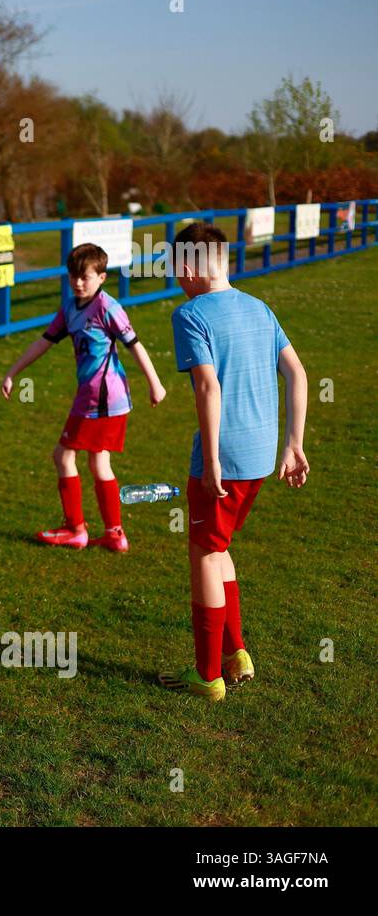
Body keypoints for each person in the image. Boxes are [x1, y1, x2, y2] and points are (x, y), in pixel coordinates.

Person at [159, 223, 309, 700]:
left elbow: (207, 386)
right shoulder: (260, 308)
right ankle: (235, 652)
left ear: (186, 267)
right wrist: (294, 444)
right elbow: (298, 373)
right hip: (264, 456)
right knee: (219, 544)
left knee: (203, 550)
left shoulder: (190, 315)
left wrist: (211, 458)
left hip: (223, 459)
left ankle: (207, 677)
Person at [1, 243, 167, 551]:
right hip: (97, 398)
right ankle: (115, 535)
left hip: (102, 399)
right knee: (97, 463)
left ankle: (76, 530)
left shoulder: (108, 307)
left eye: (85, 277)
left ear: (102, 277)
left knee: (63, 456)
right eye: (73, 277)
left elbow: (135, 344)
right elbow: (44, 342)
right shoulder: (70, 308)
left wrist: (155, 383)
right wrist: (13, 371)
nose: (78, 283)